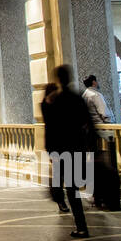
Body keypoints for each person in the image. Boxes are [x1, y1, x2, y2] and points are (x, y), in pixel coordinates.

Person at [44, 65, 96, 239]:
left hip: (62, 150)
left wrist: (50, 150)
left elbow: (50, 128)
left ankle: (81, 226)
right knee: (77, 184)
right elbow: (89, 123)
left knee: (72, 189)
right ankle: (81, 225)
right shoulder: (77, 98)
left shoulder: (54, 100)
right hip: (78, 148)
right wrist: (91, 146)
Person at [40, 83, 70, 213]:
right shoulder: (46, 105)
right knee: (59, 173)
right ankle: (60, 199)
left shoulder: (58, 104)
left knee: (65, 172)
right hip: (54, 145)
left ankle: (61, 198)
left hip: (64, 143)